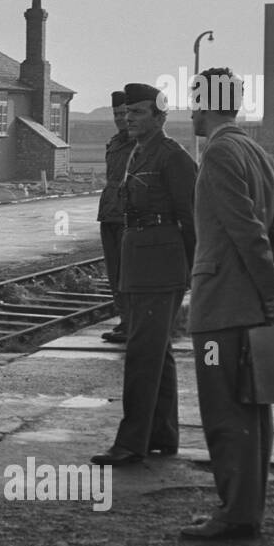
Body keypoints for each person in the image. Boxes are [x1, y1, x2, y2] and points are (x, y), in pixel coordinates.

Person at [183, 68, 274, 541]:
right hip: (249, 306)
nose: (190, 112)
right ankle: (245, 510)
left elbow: (248, 233)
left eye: (193, 103)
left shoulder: (218, 154)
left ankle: (235, 514)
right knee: (253, 412)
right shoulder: (258, 153)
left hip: (223, 309)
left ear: (204, 105)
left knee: (225, 414)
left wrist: (272, 297)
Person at [90, 82, 197, 466]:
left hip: (160, 266)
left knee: (141, 356)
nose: (129, 119)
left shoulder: (172, 157)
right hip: (139, 262)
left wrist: (190, 270)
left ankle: (131, 443)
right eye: (127, 112)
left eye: (138, 113)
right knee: (156, 353)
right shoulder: (137, 151)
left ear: (160, 116)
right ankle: (162, 435)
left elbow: (191, 217)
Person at [97, 90, 133, 343]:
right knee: (113, 271)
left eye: (124, 113)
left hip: (127, 215)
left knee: (127, 272)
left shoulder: (139, 142)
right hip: (109, 212)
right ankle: (123, 320)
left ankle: (131, 322)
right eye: (116, 114)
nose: (120, 118)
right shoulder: (115, 142)